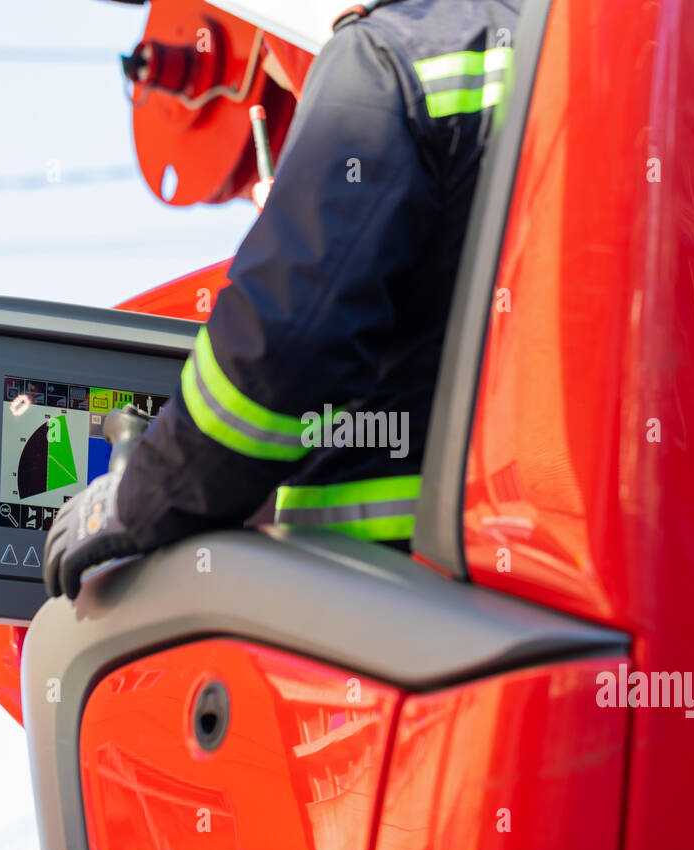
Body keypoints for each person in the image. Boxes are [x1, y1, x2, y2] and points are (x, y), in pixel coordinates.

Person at [45, 0, 522, 599]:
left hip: (400, 596)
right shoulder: (635, 56)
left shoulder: (391, 58)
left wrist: (138, 498)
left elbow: (287, 346)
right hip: (572, 573)